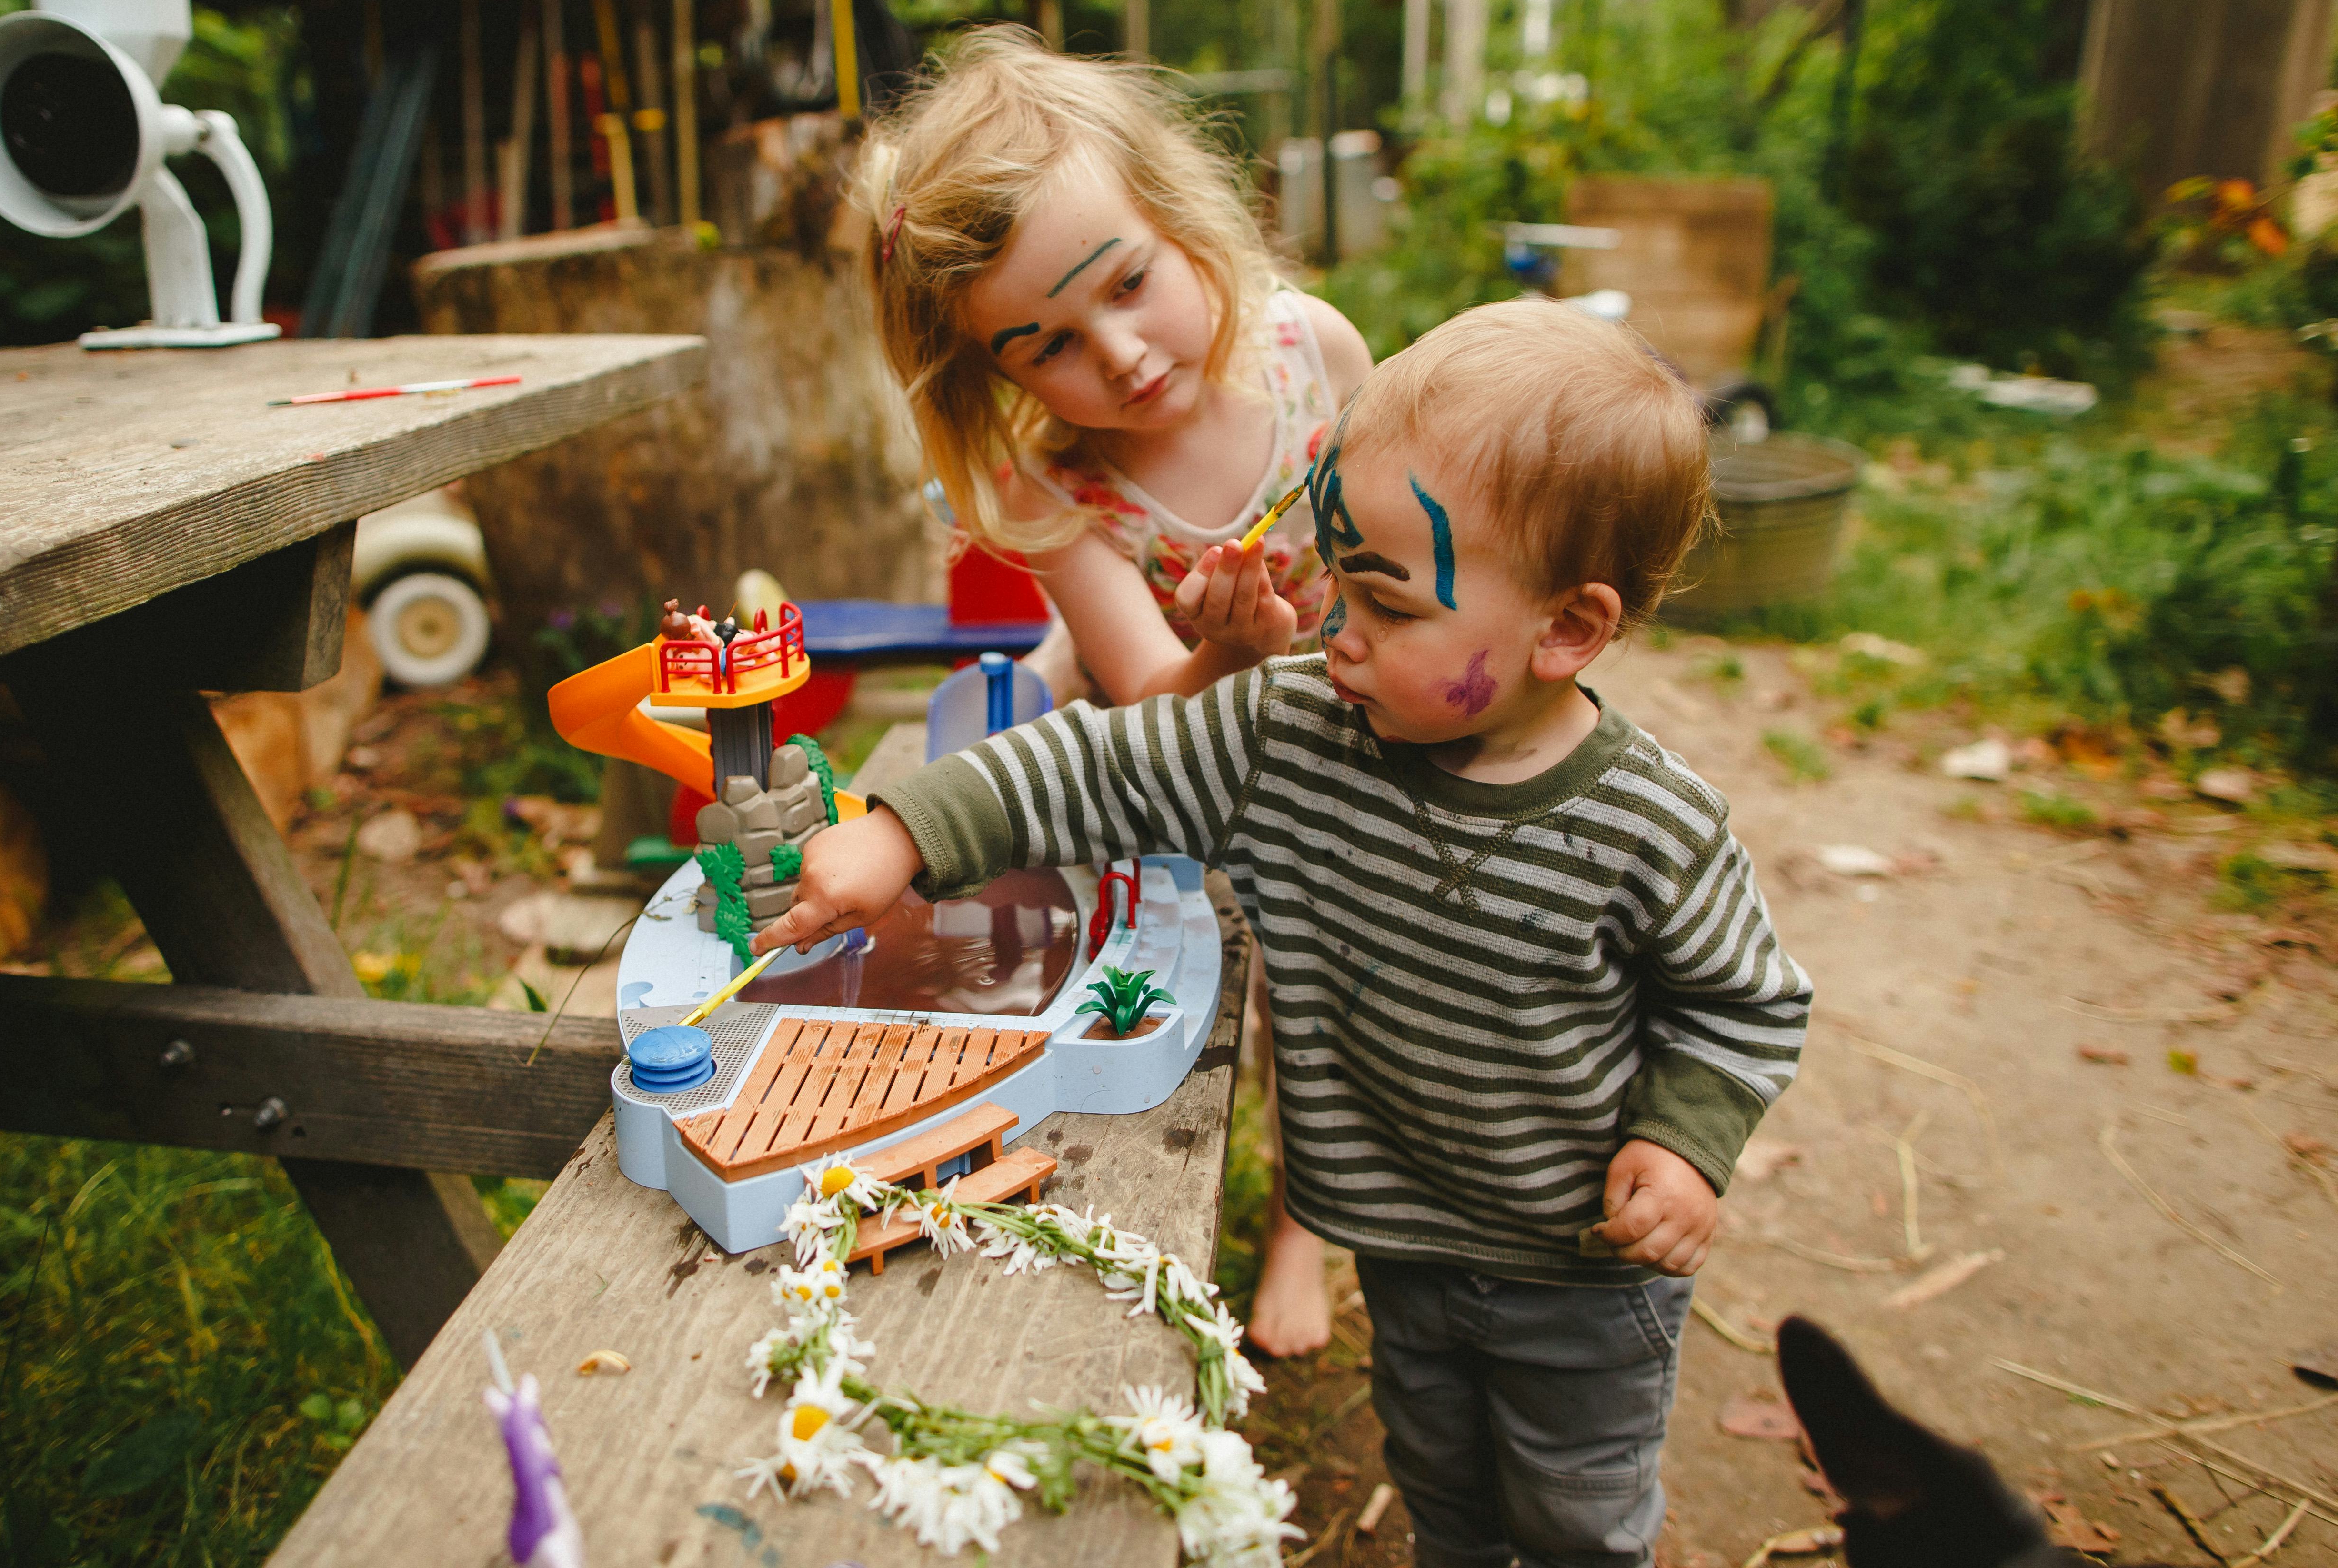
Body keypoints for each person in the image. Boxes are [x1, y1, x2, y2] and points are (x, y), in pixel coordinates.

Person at [757, 297, 1814, 1567]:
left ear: (1568, 629)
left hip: (1581, 1269)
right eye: (1336, 575)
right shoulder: (1289, 729)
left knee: (1579, 1518)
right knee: (1443, 1487)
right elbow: (1100, 766)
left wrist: (1687, 1145)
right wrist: (905, 834)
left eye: (1388, 603)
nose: (1335, 628)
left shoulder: (1655, 827)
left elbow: (1745, 1002)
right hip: (1401, 1239)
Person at [852, 23, 1371, 1356]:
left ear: (1179, 211)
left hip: (1349, 711)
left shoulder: (1318, 355)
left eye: (1129, 283)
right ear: (1000, 372)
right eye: (1051, 346)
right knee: (1253, 949)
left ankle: (1313, 1219)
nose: (1122, 355)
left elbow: (1396, 555)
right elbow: (1150, 695)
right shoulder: (1057, 487)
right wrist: (1229, 657)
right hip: (1190, 735)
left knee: (1344, 980)